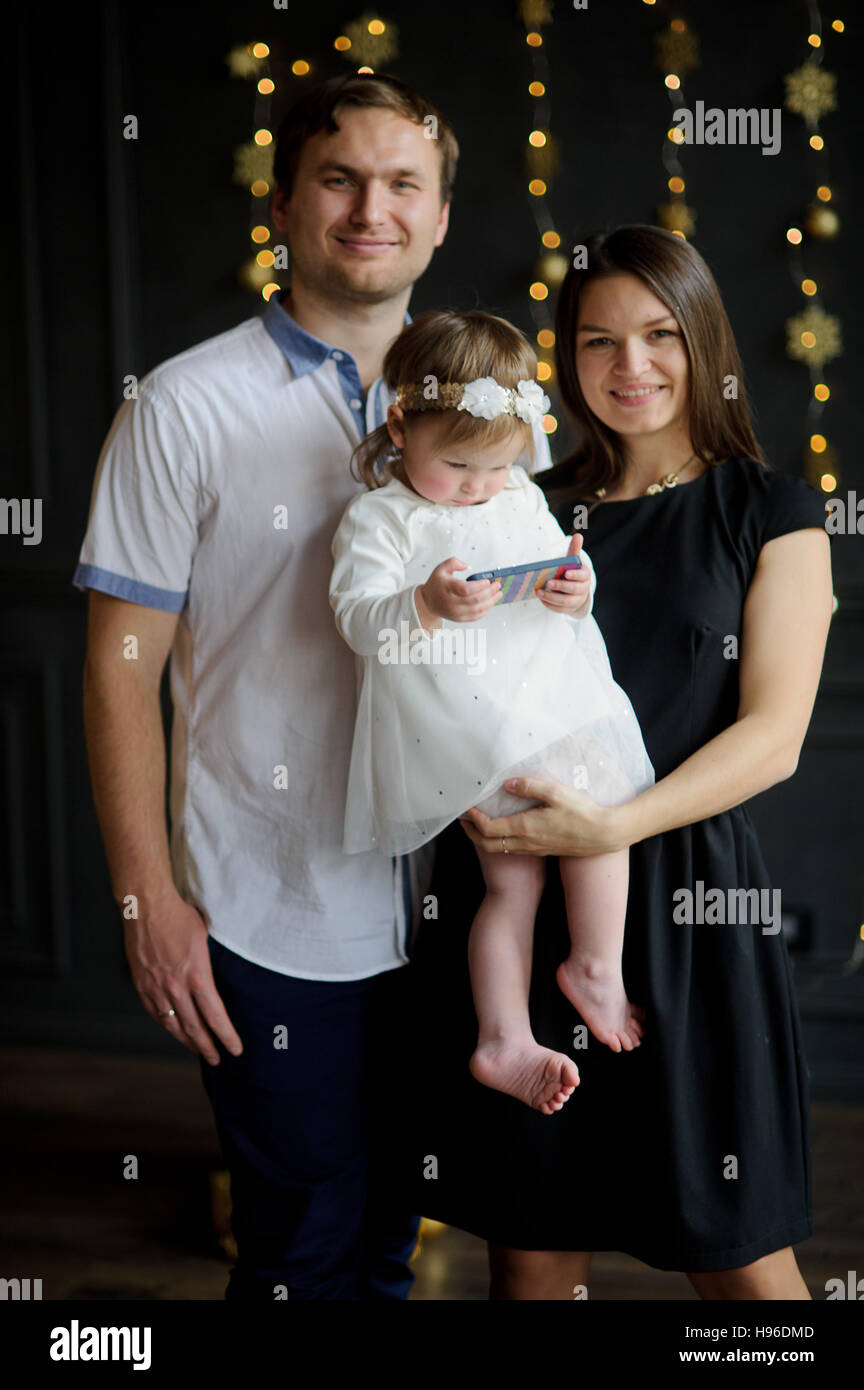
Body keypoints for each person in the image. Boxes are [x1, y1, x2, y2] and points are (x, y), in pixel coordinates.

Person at [72, 72, 549, 1300]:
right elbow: (120, 671)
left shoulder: (492, 405)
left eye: (402, 184)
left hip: (461, 901)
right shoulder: (184, 405)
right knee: (301, 1251)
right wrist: (145, 899)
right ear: (283, 203)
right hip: (272, 903)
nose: (370, 209)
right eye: (339, 179)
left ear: (441, 217)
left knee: (392, 1241)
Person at [400, 225, 833, 1300]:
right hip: (525, 904)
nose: (629, 365)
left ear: (703, 343)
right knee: (534, 1257)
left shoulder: (771, 510)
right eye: (598, 340)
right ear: (568, 355)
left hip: (688, 913)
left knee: (740, 1262)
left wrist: (613, 827)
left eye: (659, 335)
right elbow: (435, 662)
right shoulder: (521, 503)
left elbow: (774, 736)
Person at [330, 309, 655, 1117]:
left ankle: (534, 1013)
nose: (480, 485)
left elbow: (557, 574)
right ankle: (558, 994)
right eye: (458, 464)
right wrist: (426, 602)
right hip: (466, 720)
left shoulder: (516, 491)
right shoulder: (380, 518)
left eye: (499, 464)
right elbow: (358, 620)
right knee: (530, 863)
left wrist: (575, 588)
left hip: (546, 695)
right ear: (400, 427)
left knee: (574, 835)